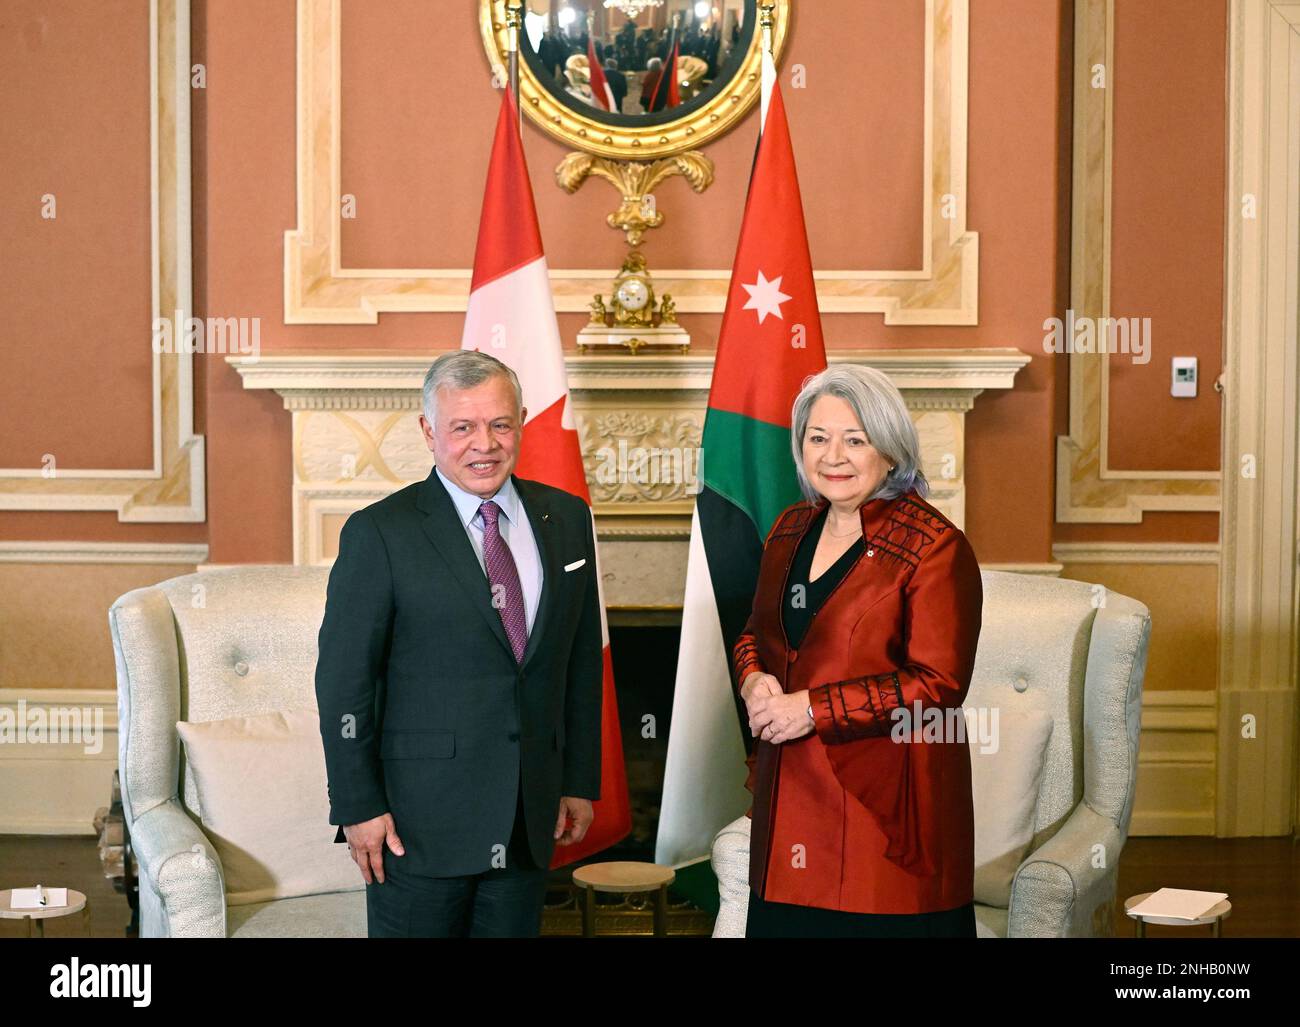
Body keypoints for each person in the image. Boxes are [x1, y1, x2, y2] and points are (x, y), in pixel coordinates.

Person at [315, 350, 604, 937]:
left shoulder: (567, 518)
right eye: (463, 427)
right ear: (428, 431)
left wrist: (577, 780)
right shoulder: (379, 533)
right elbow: (345, 682)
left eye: (500, 424)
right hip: (417, 826)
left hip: (527, 816)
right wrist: (359, 807)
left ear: (521, 420)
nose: (485, 444)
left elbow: (577, 663)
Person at [733, 364, 983, 938]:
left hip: (886, 809)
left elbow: (939, 685)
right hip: (791, 798)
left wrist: (811, 709)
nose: (833, 456)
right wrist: (753, 681)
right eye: (818, 438)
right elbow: (755, 632)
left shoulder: (935, 547)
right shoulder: (791, 528)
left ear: (890, 450)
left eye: (855, 438)